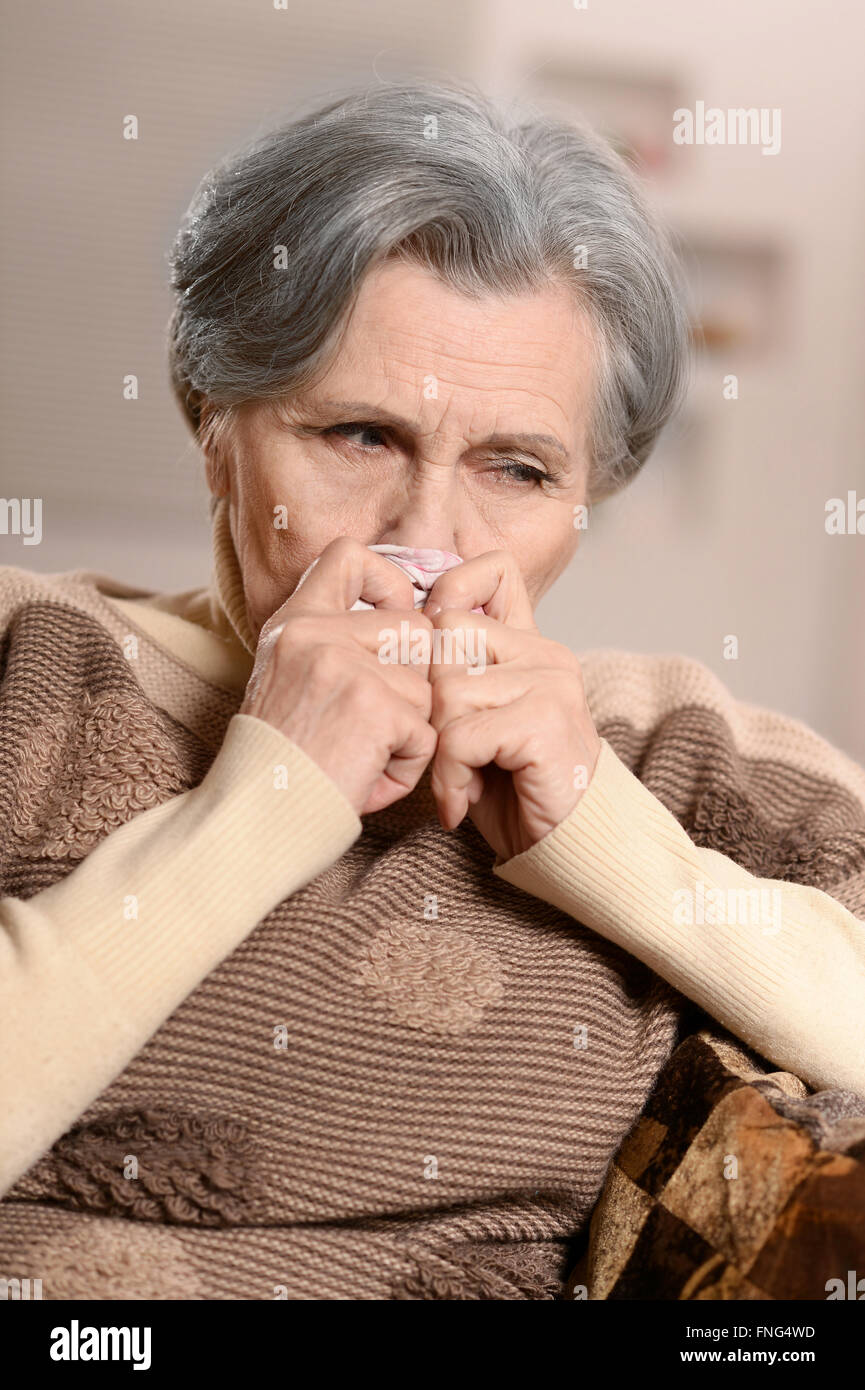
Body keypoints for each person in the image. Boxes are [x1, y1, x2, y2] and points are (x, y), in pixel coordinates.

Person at [0, 78, 862, 1301]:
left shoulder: (690, 752)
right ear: (212, 422)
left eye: (514, 468)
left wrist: (611, 840)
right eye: (361, 437)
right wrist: (262, 809)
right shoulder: (31, 658)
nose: (429, 539)